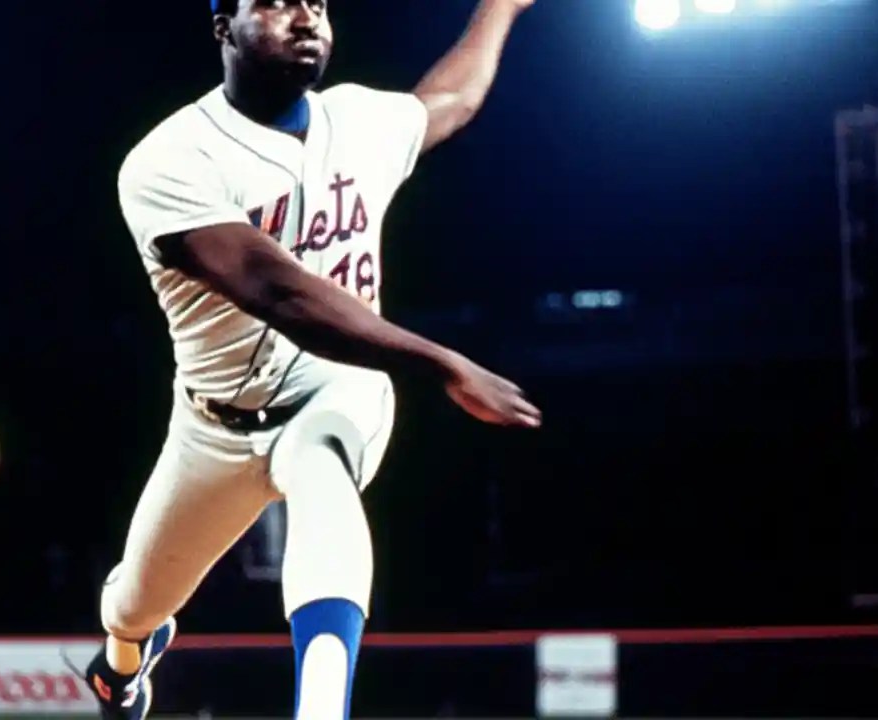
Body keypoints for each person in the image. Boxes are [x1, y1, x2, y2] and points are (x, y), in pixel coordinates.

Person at [81, 0, 539, 717]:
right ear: (221, 27)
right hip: (212, 425)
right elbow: (281, 293)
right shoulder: (169, 160)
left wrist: (499, 9)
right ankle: (120, 666)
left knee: (323, 467)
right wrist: (445, 362)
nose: (305, 18)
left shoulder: (357, 121)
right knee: (134, 605)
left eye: (317, 5)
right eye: (274, 3)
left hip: (340, 388)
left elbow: (448, 98)